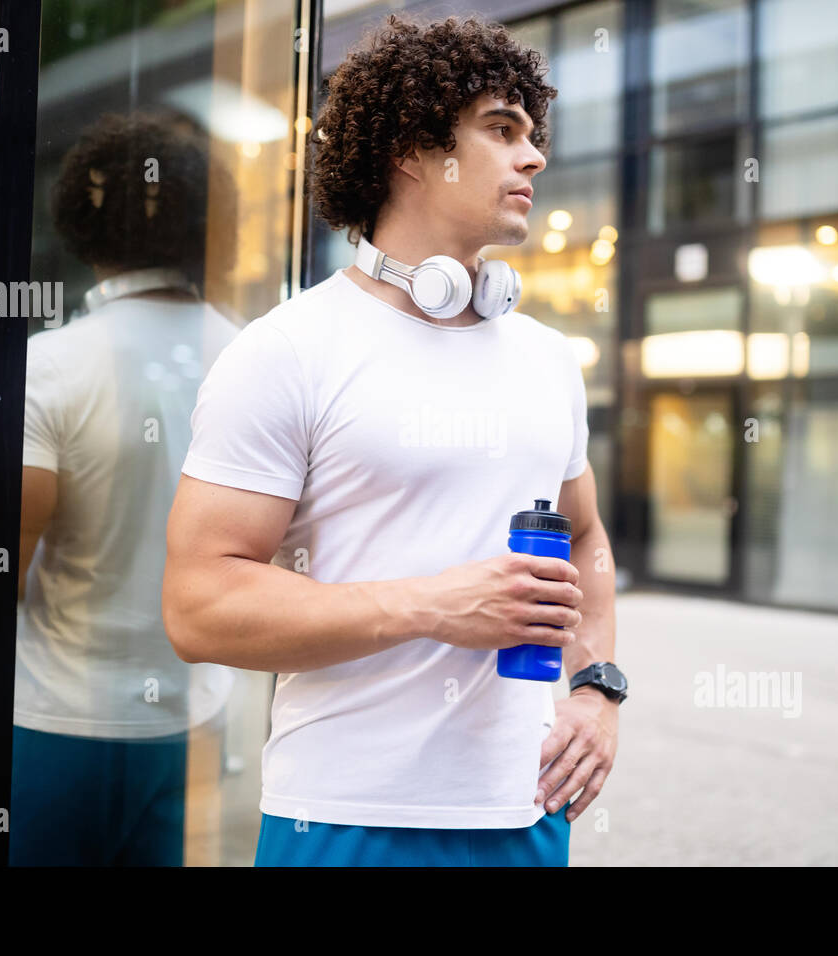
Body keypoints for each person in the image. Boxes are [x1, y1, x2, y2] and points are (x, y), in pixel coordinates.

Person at [163, 14, 625, 867]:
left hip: (526, 816)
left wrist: (598, 689)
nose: (534, 158)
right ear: (412, 149)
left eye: (534, 135)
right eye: (501, 130)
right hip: (342, 820)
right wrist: (432, 606)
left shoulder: (548, 358)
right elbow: (199, 603)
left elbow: (588, 535)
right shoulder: (287, 350)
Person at [10, 112, 242, 866]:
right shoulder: (248, 360)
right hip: (194, 722)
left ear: (80, 220)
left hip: (58, 723)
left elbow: (2, 566)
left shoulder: (51, 365)